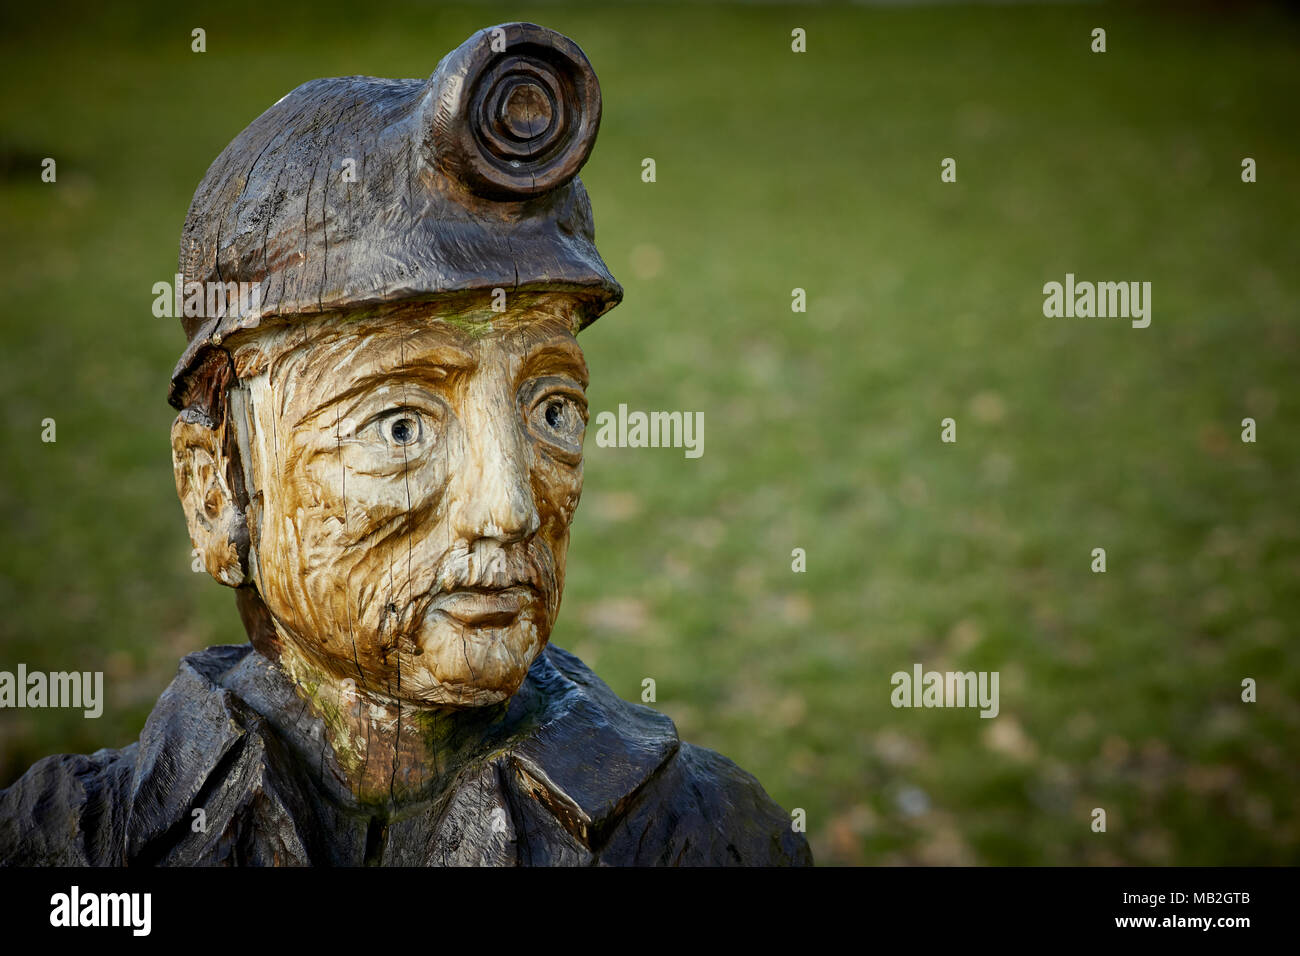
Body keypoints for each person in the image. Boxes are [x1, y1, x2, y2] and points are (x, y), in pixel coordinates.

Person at [0, 22, 812, 866]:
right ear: (216, 490)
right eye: (399, 426)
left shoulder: (706, 838)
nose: (510, 506)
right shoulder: (71, 846)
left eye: (551, 413)